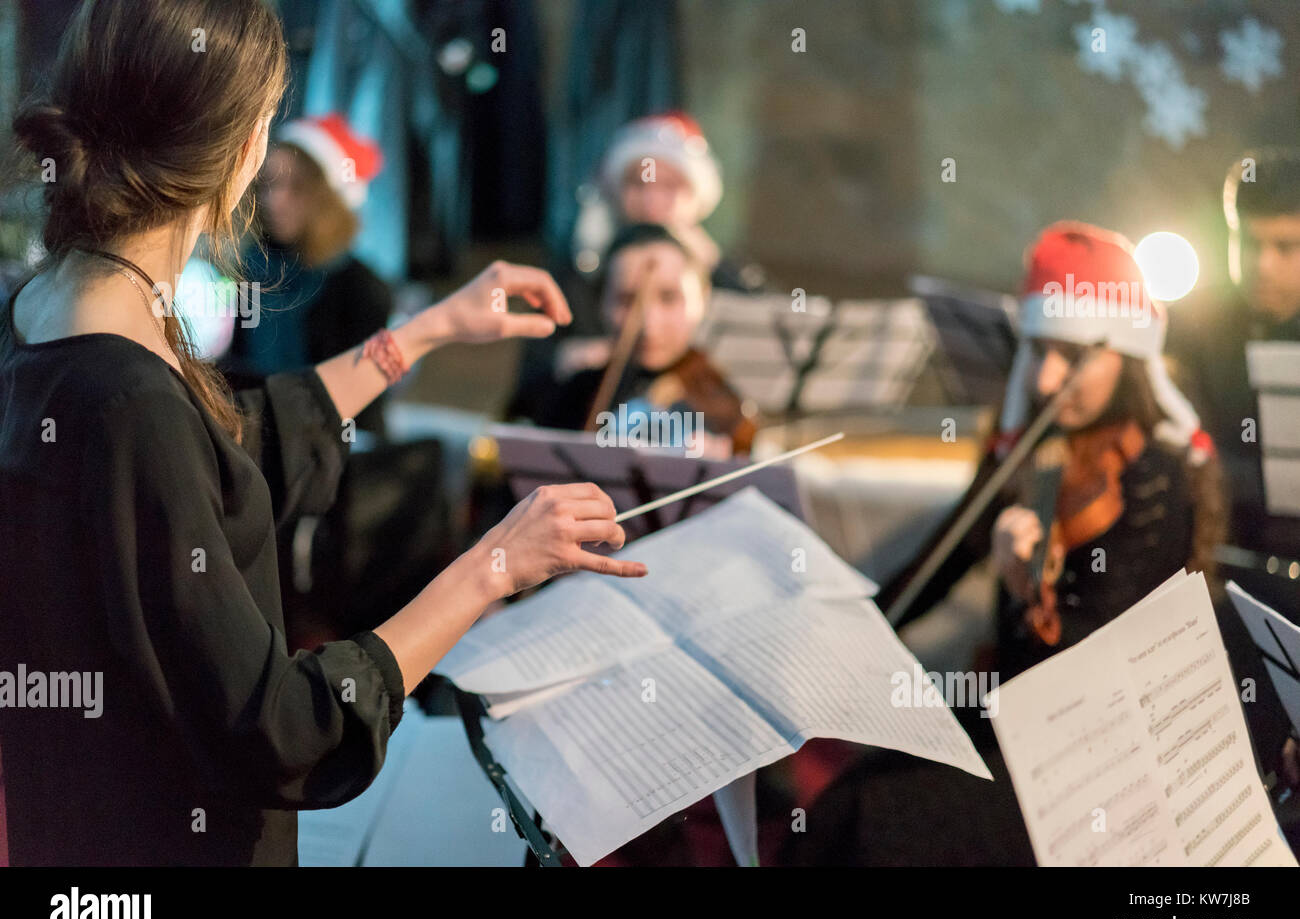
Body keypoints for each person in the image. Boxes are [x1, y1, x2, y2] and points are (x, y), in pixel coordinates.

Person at [0, 0, 645, 866]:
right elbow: (280, 728)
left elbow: (226, 456)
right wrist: (494, 566)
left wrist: (422, 334)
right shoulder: (127, 399)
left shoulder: (49, 311)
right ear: (240, 155)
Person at [787, 223, 1226, 864]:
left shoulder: (1160, 474)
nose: (1047, 379)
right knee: (835, 809)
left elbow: (1099, 661)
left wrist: (1030, 591)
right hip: (1011, 717)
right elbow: (935, 565)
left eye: (1073, 356)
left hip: (1101, 756)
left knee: (881, 826)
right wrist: (848, 634)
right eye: (1038, 350)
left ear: (1127, 356)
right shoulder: (1025, 449)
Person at [1167, 147, 1300, 791]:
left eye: (1286, 246)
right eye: (1248, 243)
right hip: (1222, 576)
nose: (1262, 265)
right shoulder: (1196, 332)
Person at [511, 112, 762, 424]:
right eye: (638, 184)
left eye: (670, 187)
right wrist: (563, 363)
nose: (652, 201)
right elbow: (525, 395)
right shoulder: (577, 277)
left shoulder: (724, 276)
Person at [516, 222, 757, 457]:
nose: (648, 324)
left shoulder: (731, 399)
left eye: (669, 297)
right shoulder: (577, 394)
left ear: (703, 298)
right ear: (602, 304)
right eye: (626, 300)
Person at [222, 113, 392, 436]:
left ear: (326, 199)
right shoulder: (255, 265)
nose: (275, 200)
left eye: (295, 188)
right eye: (270, 184)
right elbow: (238, 367)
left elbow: (362, 409)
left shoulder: (362, 289)